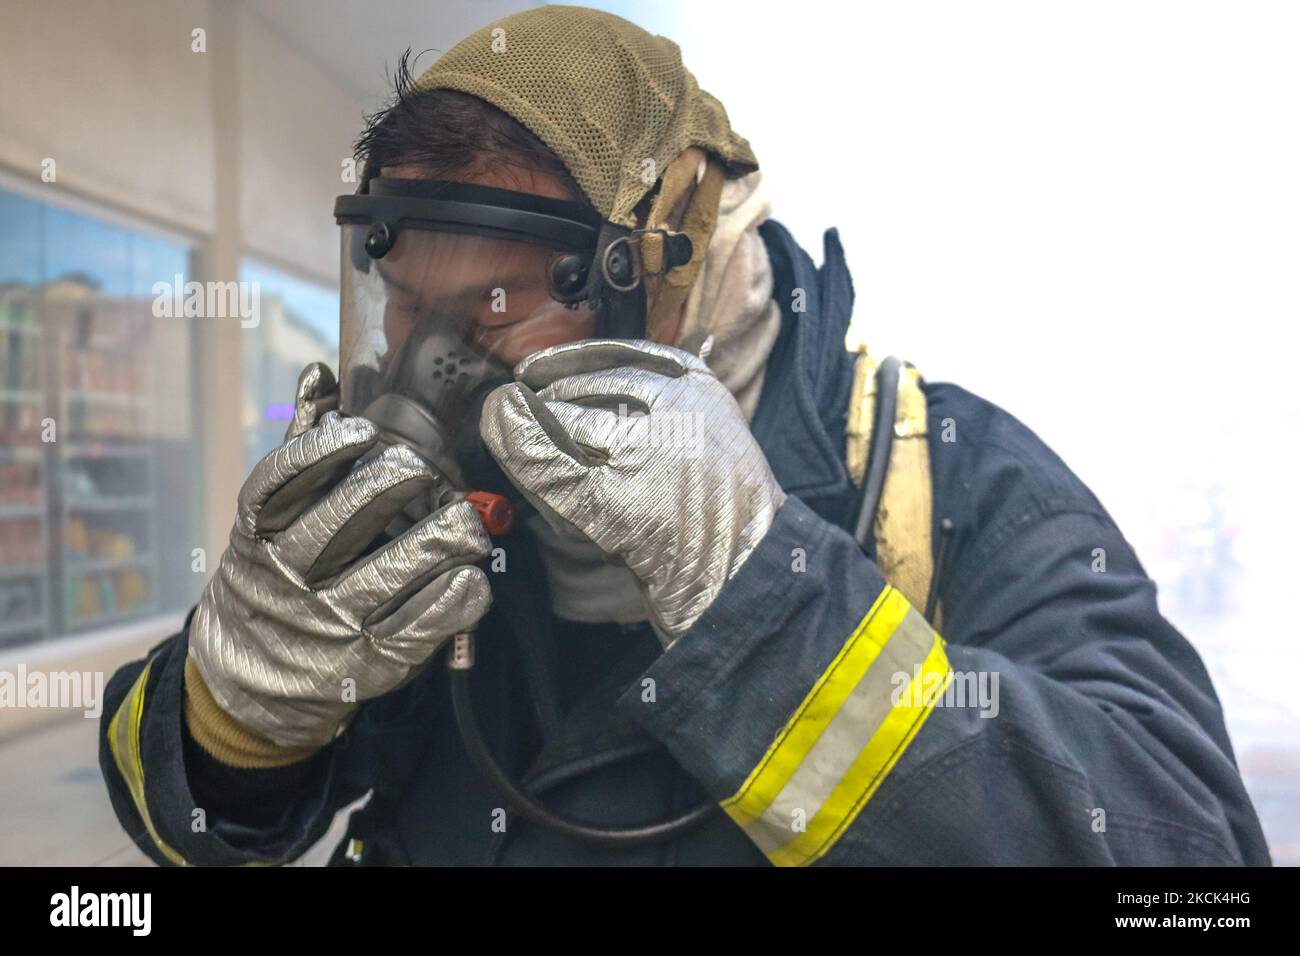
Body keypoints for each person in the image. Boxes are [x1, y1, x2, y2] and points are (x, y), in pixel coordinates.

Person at [100, 5, 1270, 866]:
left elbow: (1192, 861)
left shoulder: (937, 475)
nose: (426, 369)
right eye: (409, 301)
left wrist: (766, 610)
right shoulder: (429, 497)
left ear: (679, 266)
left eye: (498, 304)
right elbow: (188, 827)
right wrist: (232, 709)